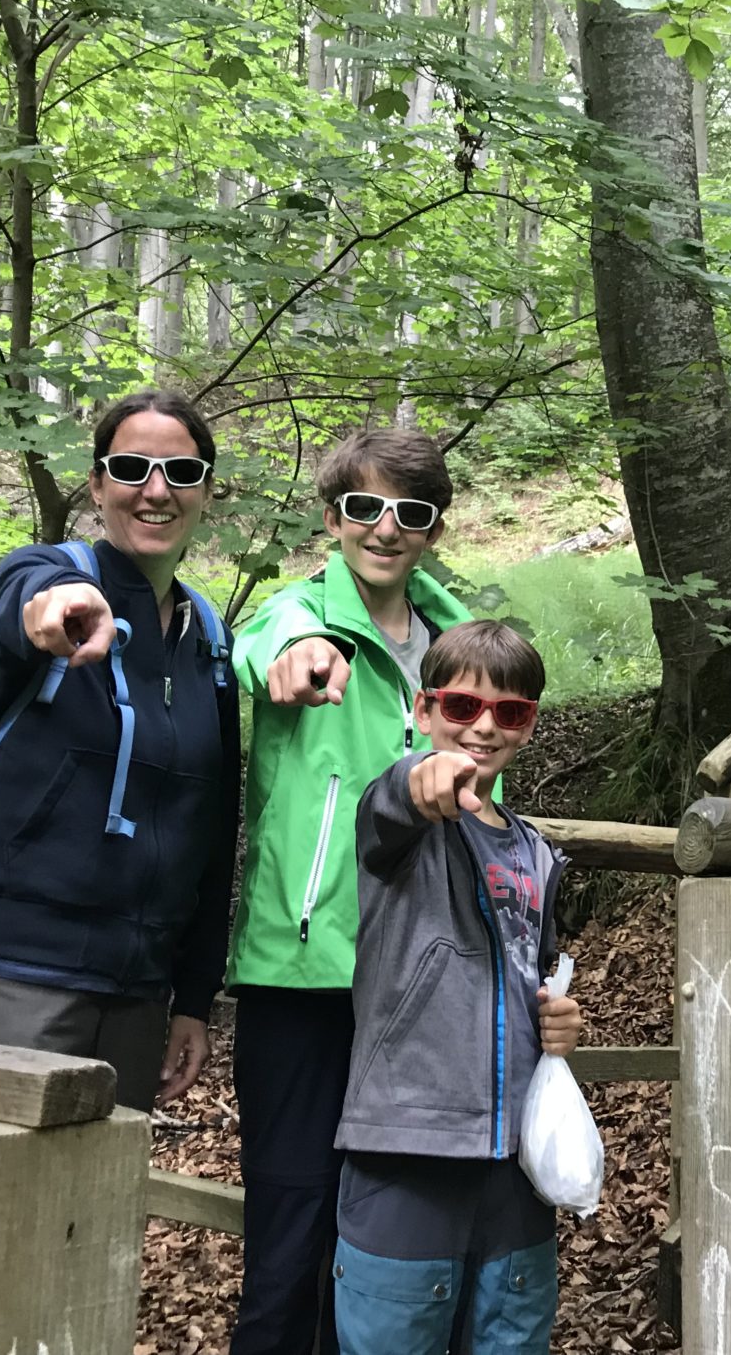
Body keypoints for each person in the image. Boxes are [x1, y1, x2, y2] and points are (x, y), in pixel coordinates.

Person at [0, 389, 238, 1111]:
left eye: (181, 472)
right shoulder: (50, 573)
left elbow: (212, 829)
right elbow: (26, 599)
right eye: (131, 466)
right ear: (96, 484)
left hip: (134, 990)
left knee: (85, 1220)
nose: (156, 490)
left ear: (208, 491)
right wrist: (54, 604)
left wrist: (193, 994)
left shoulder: (207, 643)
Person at [228, 430, 481, 1354]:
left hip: (423, 986)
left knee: (382, 1249)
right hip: (306, 973)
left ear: (432, 529)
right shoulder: (295, 614)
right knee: (290, 1237)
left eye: (410, 513)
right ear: (332, 517)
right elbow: (262, 645)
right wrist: (298, 652)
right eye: (366, 508)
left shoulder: (461, 645)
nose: (386, 528)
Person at [333, 619, 585, 1355]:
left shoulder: (535, 850)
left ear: (529, 724)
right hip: (406, 1147)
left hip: (517, 1164)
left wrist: (558, 1019)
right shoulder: (400, 820)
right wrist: (420, 778)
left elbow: (528, 972)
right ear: (423, 709)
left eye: (510, 712)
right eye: (461, 707)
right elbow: (396, 802)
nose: (483, 727)